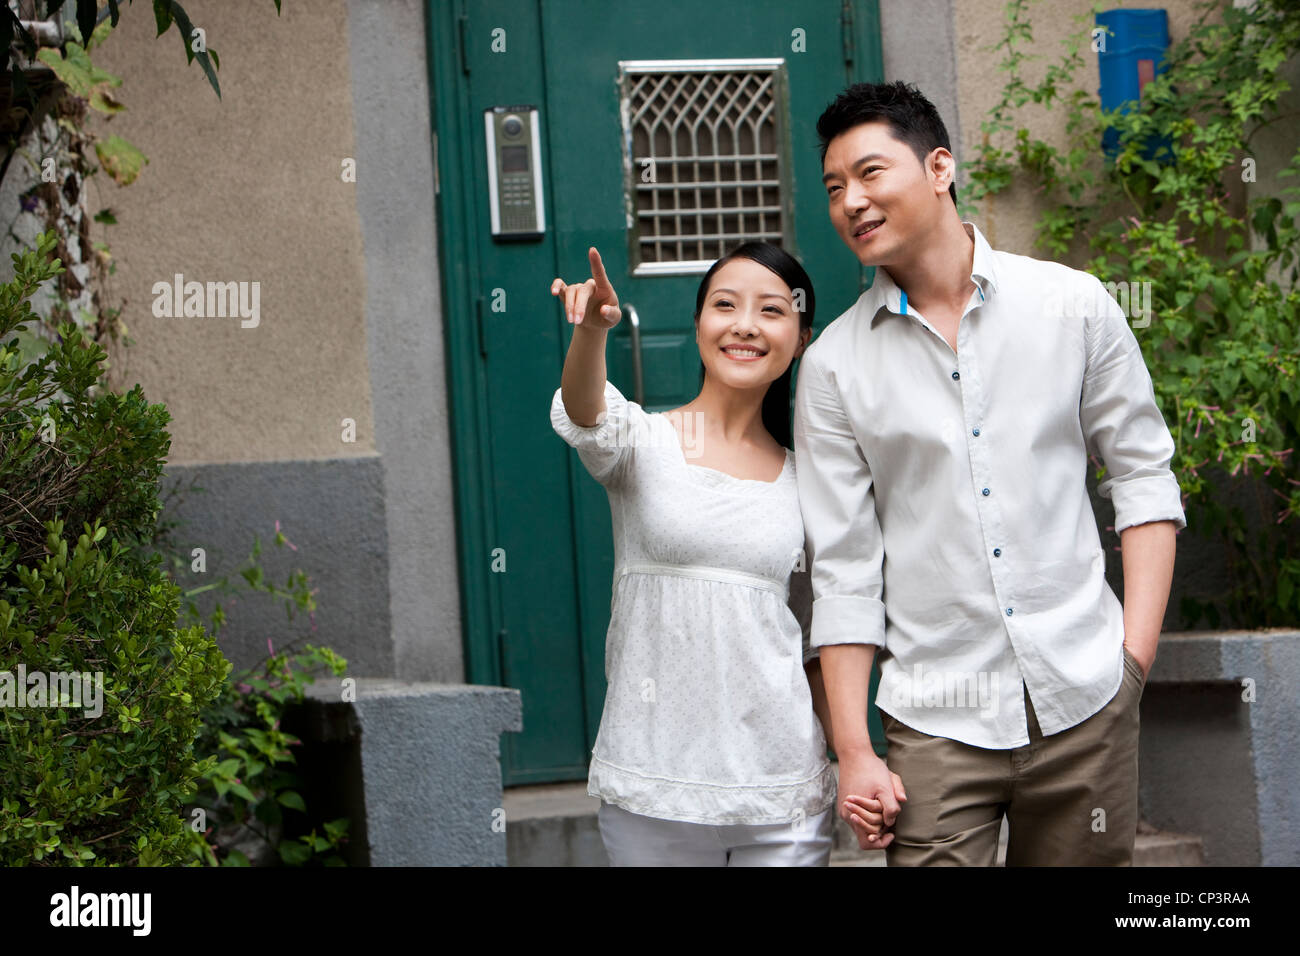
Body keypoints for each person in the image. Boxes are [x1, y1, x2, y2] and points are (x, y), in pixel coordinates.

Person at [795, 81, 1185, 865]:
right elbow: (843, 570)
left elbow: (1143, 478)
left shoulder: (1072, 305)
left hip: (1086, 694)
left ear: (939, 167)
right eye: (836, 188)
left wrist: (1131, 664)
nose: (852, 202)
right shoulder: (833, 364)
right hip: (936, 718)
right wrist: (854, 750)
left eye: (871, 173)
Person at [550, 243, 891, 865]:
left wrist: (855, 758)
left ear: (801, 337)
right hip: (652, 784)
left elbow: (815, 643)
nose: (744, 325)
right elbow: (585, 411)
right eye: (725, 305)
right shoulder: (643, 442)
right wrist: (593, 333)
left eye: (772, 310)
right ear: (700, 323)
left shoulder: (810, 483)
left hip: (781, 790)